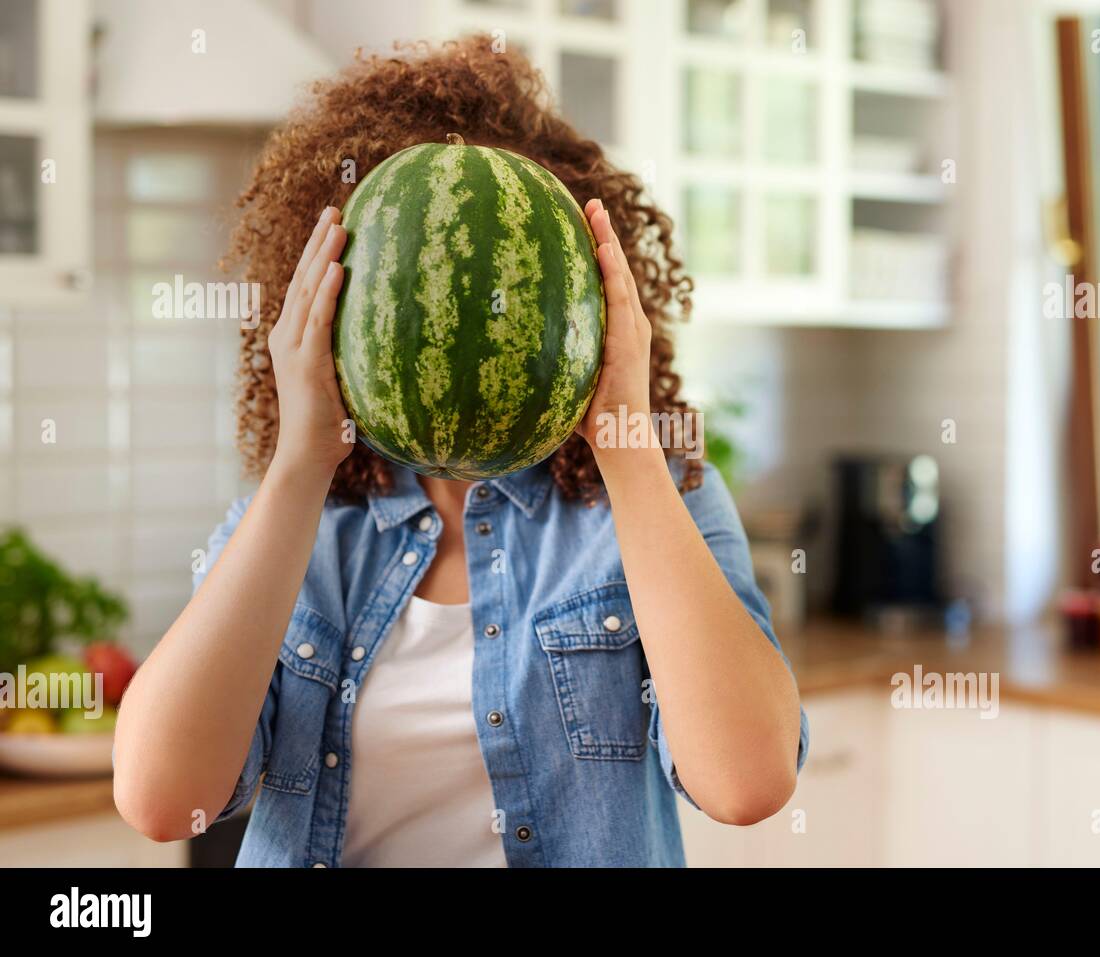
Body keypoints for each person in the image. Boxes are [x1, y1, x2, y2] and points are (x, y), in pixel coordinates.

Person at [113, 35, 808, 868]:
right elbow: (161, 799)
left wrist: (624, 435)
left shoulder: (662, 503)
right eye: (431, 279)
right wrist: (302, 460)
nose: (474, 312)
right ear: (338, 299)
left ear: (584, 290)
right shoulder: (305, 524)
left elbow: (748, 782)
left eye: (505, 283)